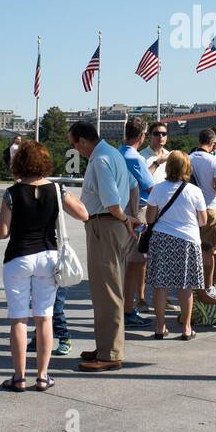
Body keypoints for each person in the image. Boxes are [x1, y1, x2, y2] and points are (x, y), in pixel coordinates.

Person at [0, 141, 89, 392]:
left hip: (18, 257)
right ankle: (42, 376)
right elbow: (83, 214)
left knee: (18, 319)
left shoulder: (11, 193)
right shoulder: (57, 190)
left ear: (19, 163)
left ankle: (18, 377)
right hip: (48, 256)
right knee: (44, 318)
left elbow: (2, 232)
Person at [71, 121, 136, 372]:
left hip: (105, 225)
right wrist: (129, 215)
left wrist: (124, 217)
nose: (76, 150)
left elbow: (110, 201)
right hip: (112, 225)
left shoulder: (100, 160)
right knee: (107, 289)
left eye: (74, 144)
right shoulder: (114, 154)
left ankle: (110, 353)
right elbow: (132, 185)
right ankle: (105, 345)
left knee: (107, 291)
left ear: (83, 141)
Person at [145, 151, 209, 340]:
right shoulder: (194, 191)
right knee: (186, 286)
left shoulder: (157, 189)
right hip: (187, 241)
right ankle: (186, 328)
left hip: (162, 239)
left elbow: (149, 218)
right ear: (187, 168)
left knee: (160, 285)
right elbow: (203, 220)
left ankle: (159, 326)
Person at [119, 117, 155, 328]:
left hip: (119, 211)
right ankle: (128, 309)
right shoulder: (135, 158)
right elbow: (150, 187)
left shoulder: (117, 153)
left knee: (126, 263)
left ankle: (125, 307)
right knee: (135, 262)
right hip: (137, 212)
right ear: (142, 136)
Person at [188, 128, 216, 295]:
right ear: (213, 143)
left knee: (194, 249)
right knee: (209, 251)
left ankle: (193, 286)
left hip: (191, 209)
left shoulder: (188, 159)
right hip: (210, 208)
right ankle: (207, 286)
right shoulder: (214, 160)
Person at [140, 121, 171, 186]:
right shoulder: (141, 156)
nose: (161, 136)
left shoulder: (170, 155)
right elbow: (141, 180)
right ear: (150, 136)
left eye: (164, 134)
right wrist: (157, 162)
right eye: (157, 133)